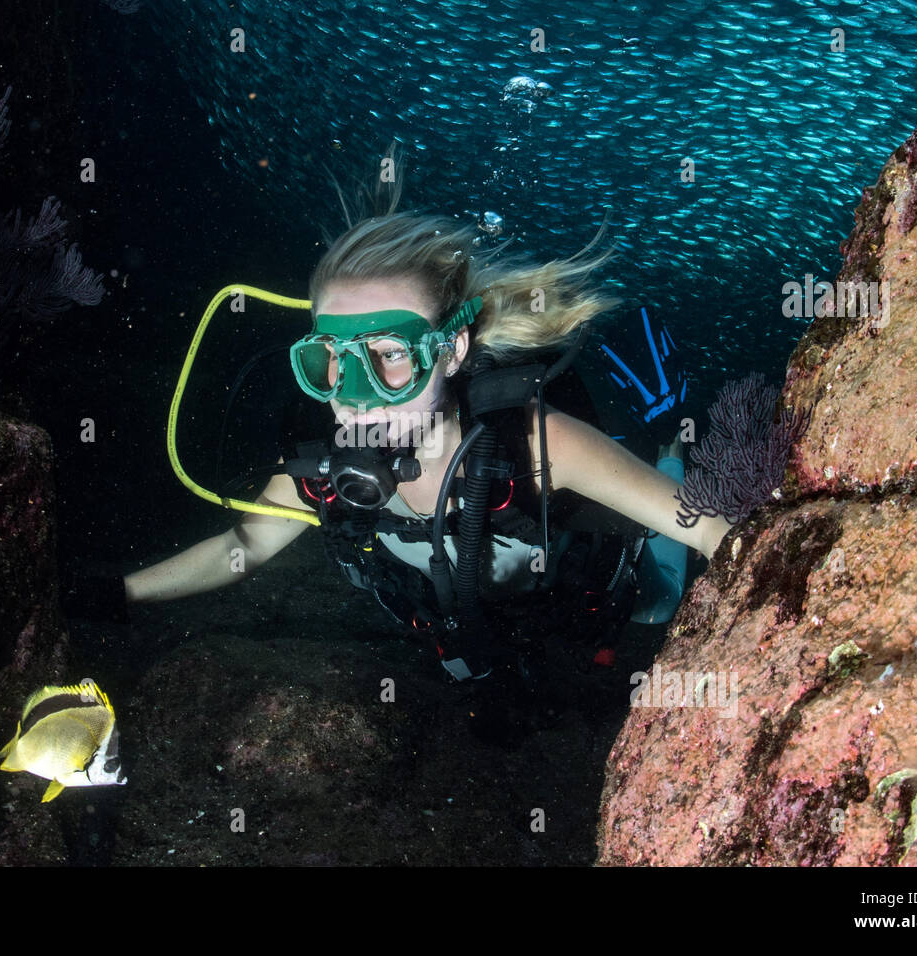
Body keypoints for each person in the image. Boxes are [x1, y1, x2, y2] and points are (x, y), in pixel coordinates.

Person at [119, 202, 732, 681]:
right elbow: (242, 549)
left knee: (658, 603)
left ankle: (670, 456)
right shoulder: (324, 469)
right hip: (471, 633)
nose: (355, 395)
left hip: (589, 594)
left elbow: (710, 531)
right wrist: (117, 592)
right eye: (332, 358)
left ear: (451, 350)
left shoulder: (535, 444)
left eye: (390, 355)